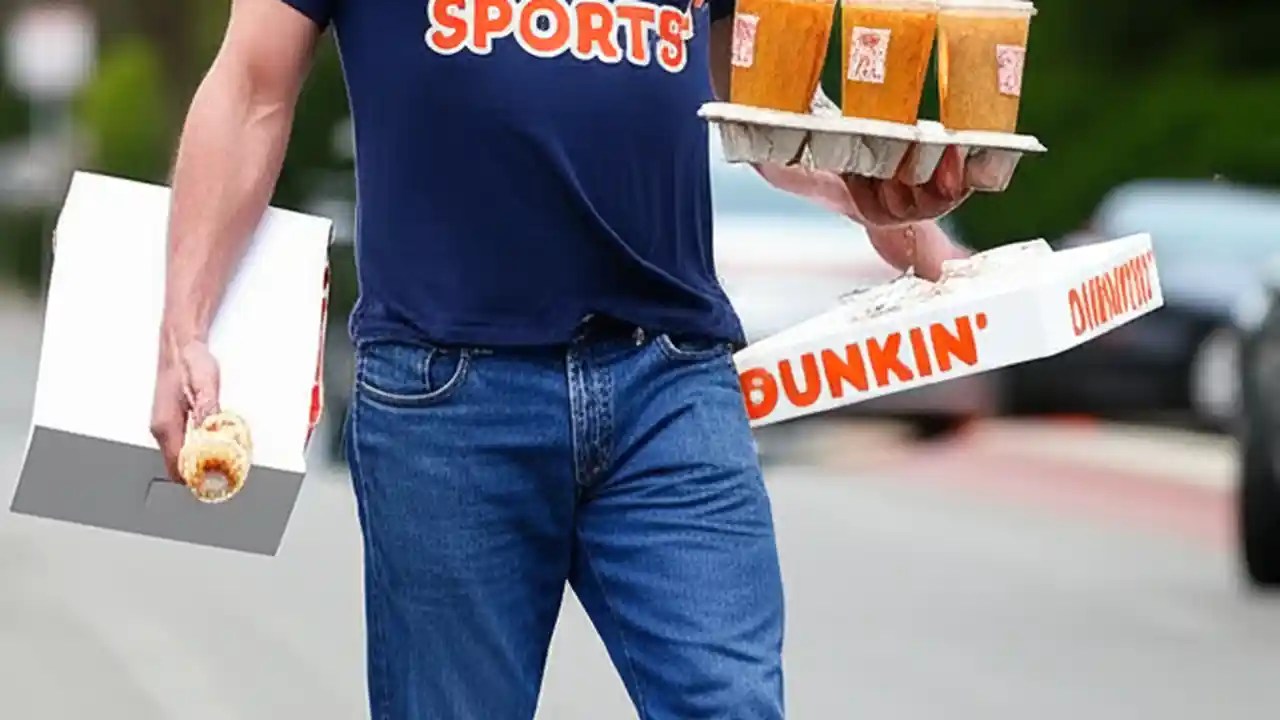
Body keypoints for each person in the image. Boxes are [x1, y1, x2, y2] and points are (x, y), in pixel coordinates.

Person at [149, 0, 975, 717]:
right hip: (446, 396)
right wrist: (181, 325)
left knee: (731, 705)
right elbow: (252, 89)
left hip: (671, 379)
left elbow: (759, 100)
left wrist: (886, 205)